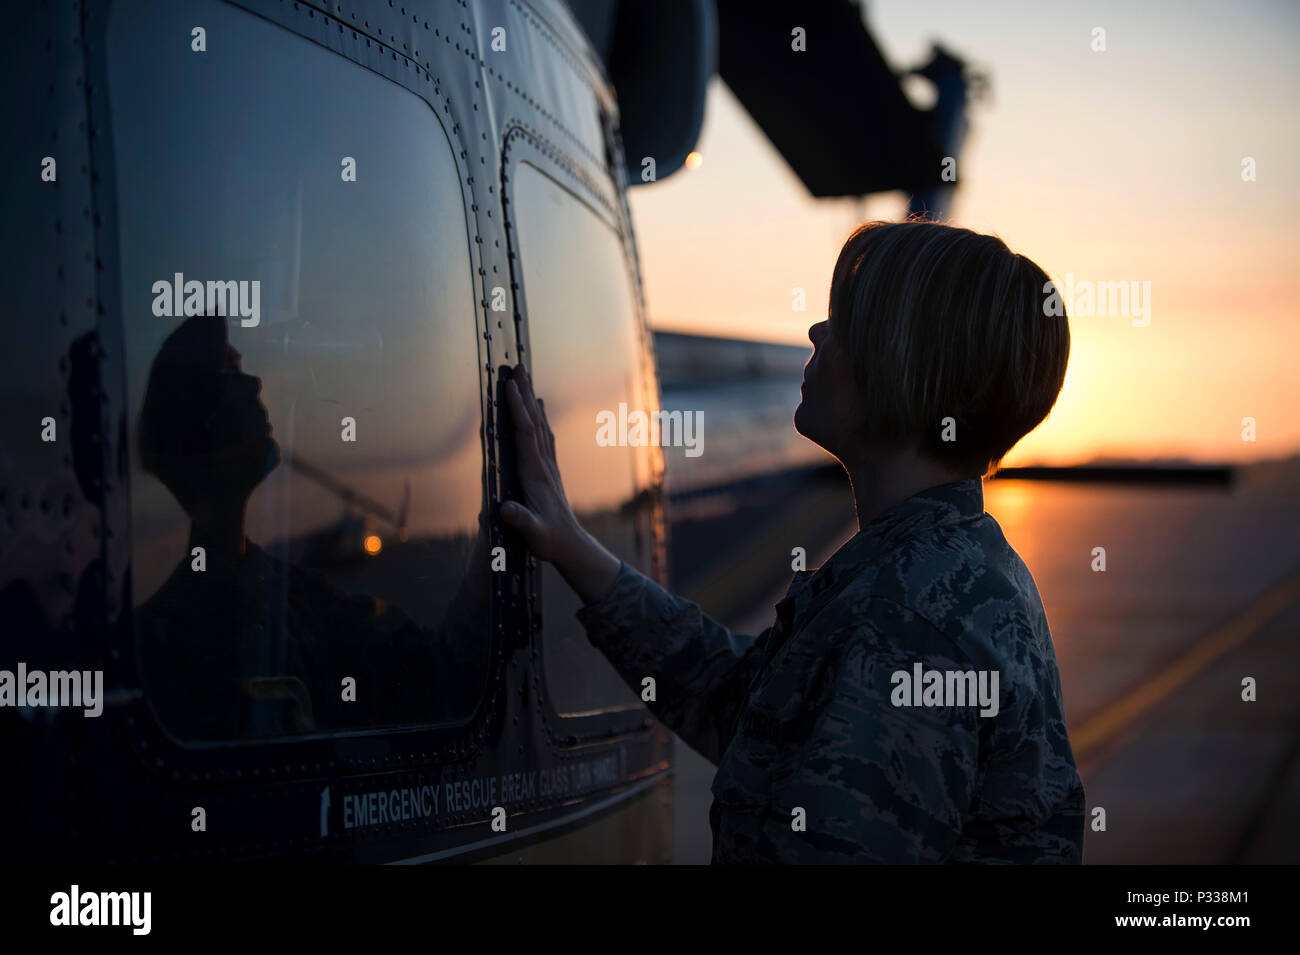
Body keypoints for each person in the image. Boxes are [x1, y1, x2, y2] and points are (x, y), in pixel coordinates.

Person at [500, 220, 1085, 863]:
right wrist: (573, 546)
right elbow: (742, 703)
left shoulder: (905, 621)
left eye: (846, 321)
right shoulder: (946, 566)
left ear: (903, 363)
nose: (817, 333)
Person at [134, 315, 488, 739]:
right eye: (230, 372)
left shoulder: (298, 599)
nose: (256, 384)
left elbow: (431, 675)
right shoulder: (161, 643)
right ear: (198, 424)